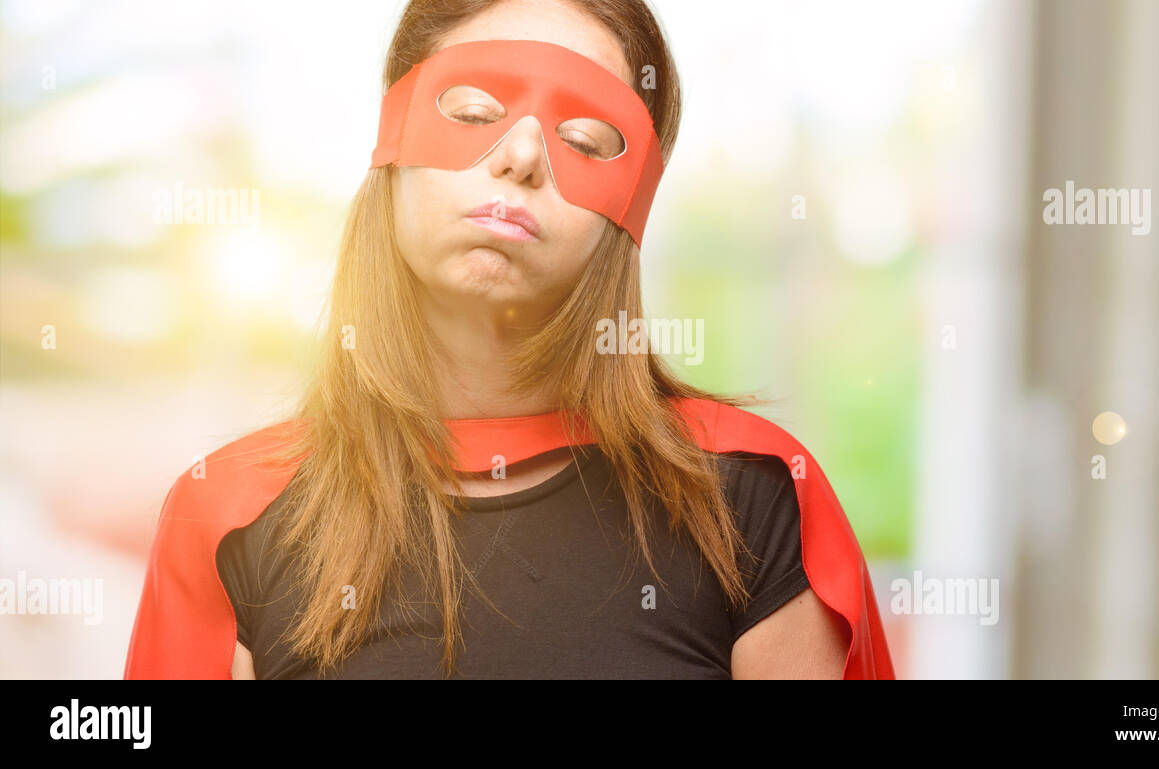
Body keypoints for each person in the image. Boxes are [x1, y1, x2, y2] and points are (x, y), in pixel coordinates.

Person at [123, 0, 894, 680]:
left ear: (627, 214)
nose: (523, 155)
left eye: (588, 141)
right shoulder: (226, 515)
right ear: (392, 146)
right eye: (469, 111)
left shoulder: (753, 500)